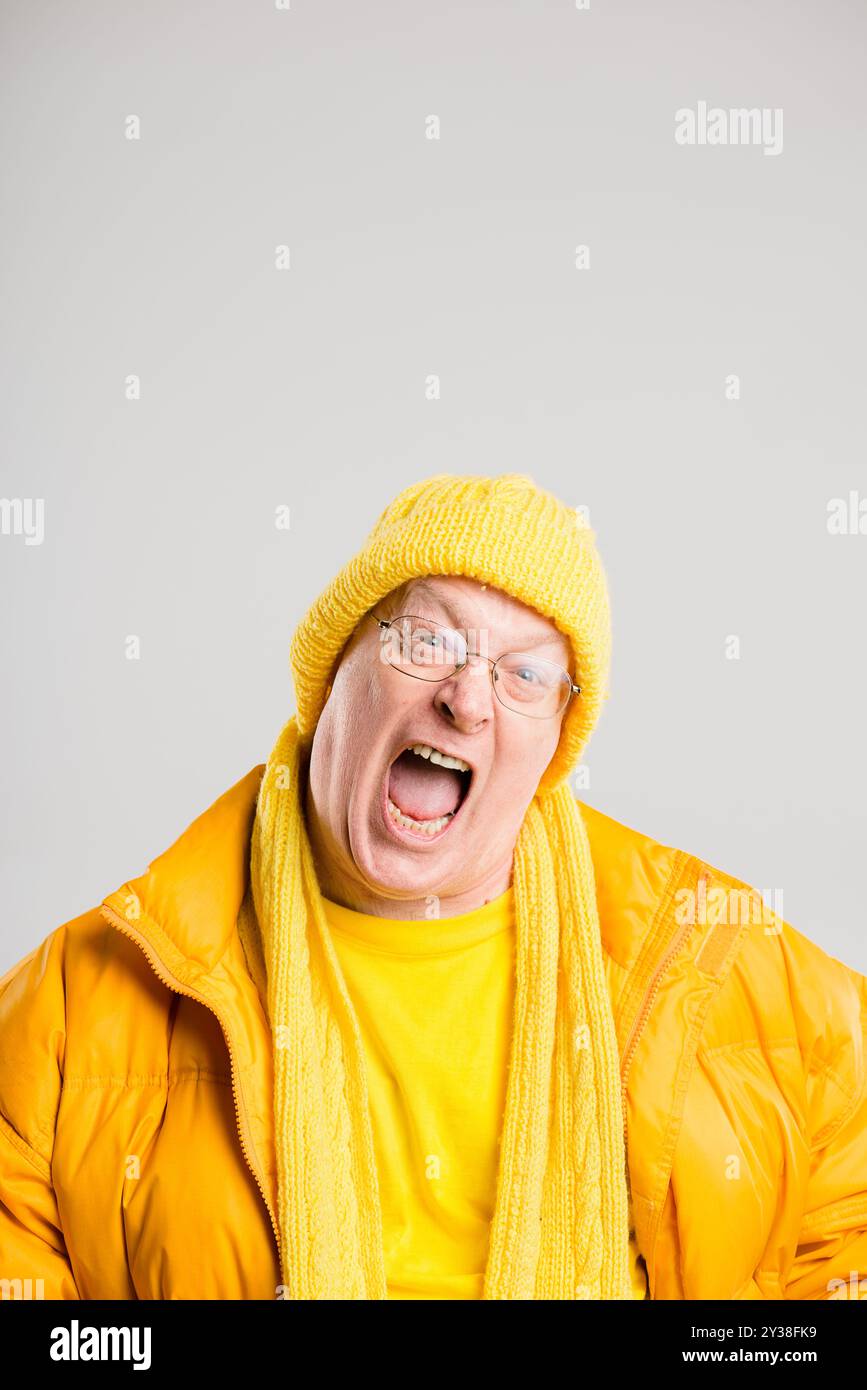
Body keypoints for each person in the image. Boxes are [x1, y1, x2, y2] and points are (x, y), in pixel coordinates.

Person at [1, 472, 865, 1301]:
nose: (467, 700)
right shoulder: (84, 997)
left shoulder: (713, 959)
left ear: (555, 745)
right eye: (430, 642)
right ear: (336, 665)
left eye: (524, 674)